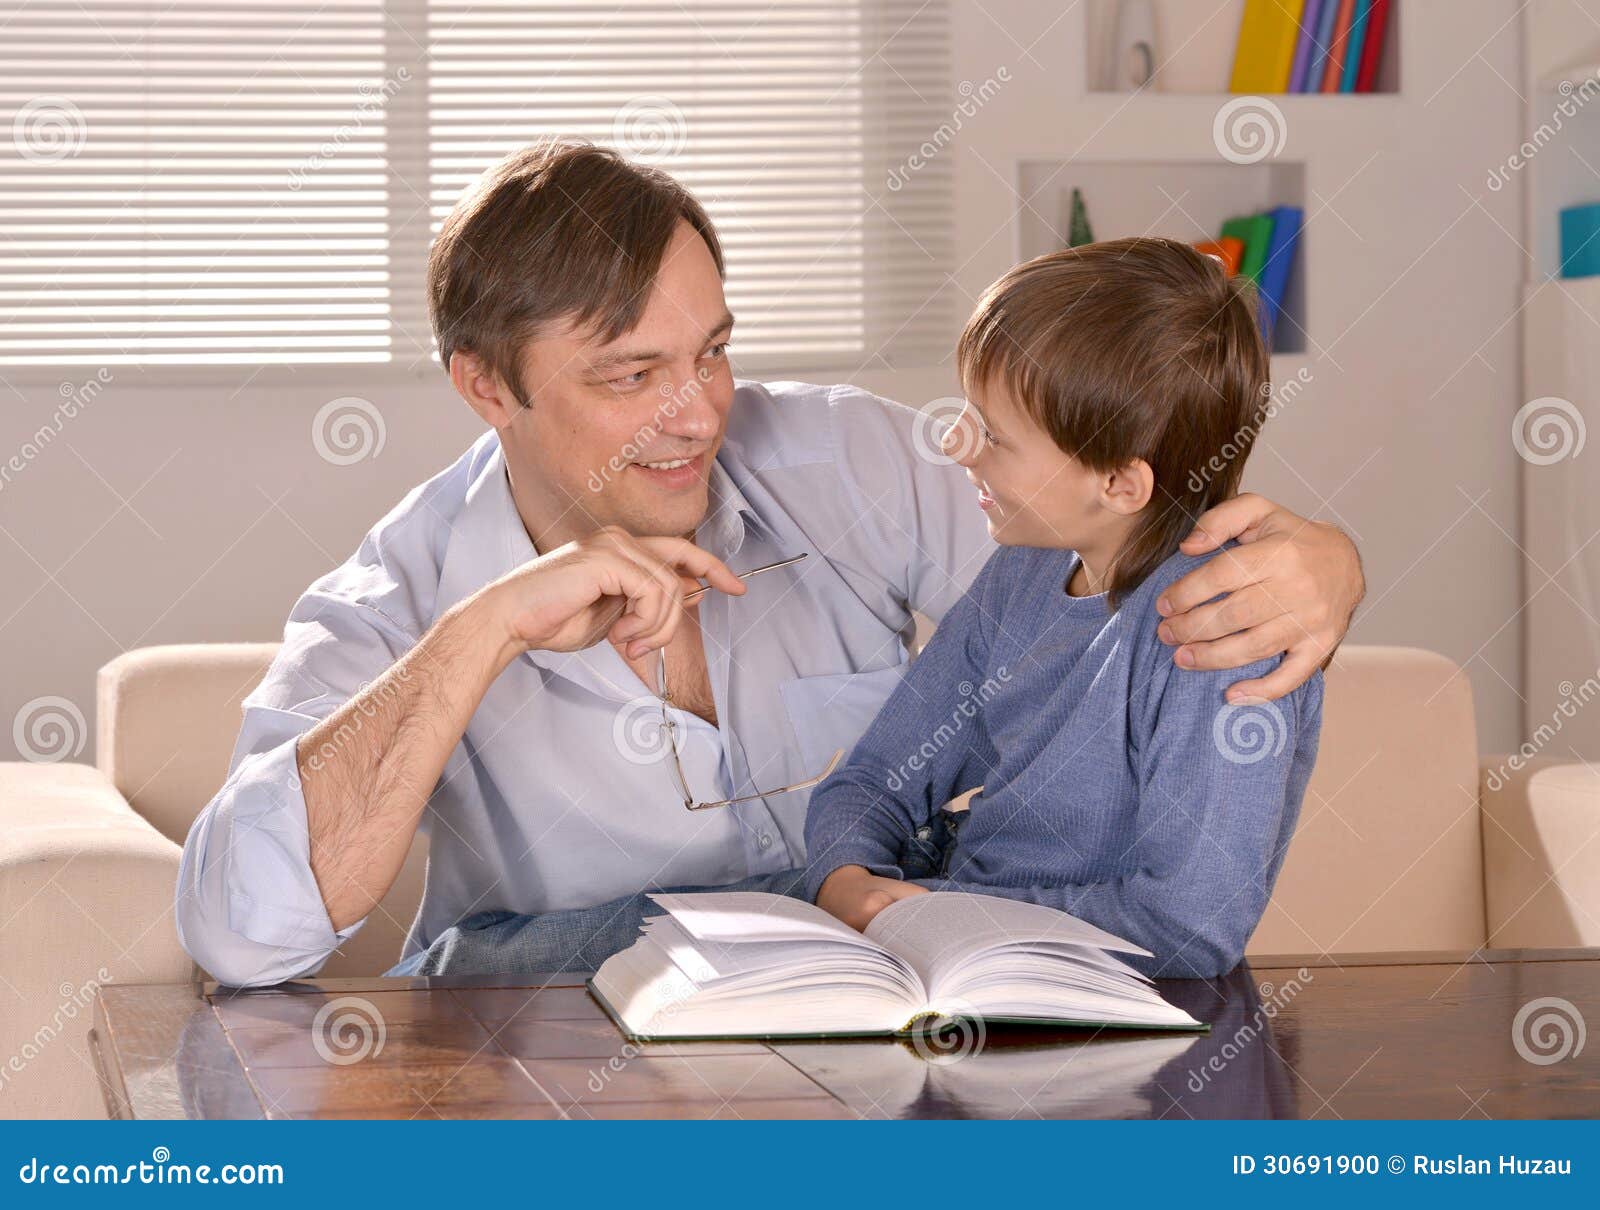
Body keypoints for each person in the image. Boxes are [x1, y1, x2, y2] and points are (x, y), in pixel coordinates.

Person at [175, 139, 1362, 988]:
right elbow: (242, 933)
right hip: (583, 1073)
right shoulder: (395, 599)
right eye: (631, 376)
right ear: (487, 386)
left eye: (714, 350)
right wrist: (485, 632)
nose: (698, 416)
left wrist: (1322, 560)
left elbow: (1103, 520)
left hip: (885, 1053)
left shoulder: (844, 455)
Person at [806, 238, 1324, 978]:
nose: (957, 445)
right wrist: (847, 880)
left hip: (1121, 1012)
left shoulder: (1226, 629)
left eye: (993, 433)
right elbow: (873, 780)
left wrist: (938, 908)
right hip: (954, 957)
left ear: (1119, 484)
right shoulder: (1024, 570)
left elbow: (1190, 927)